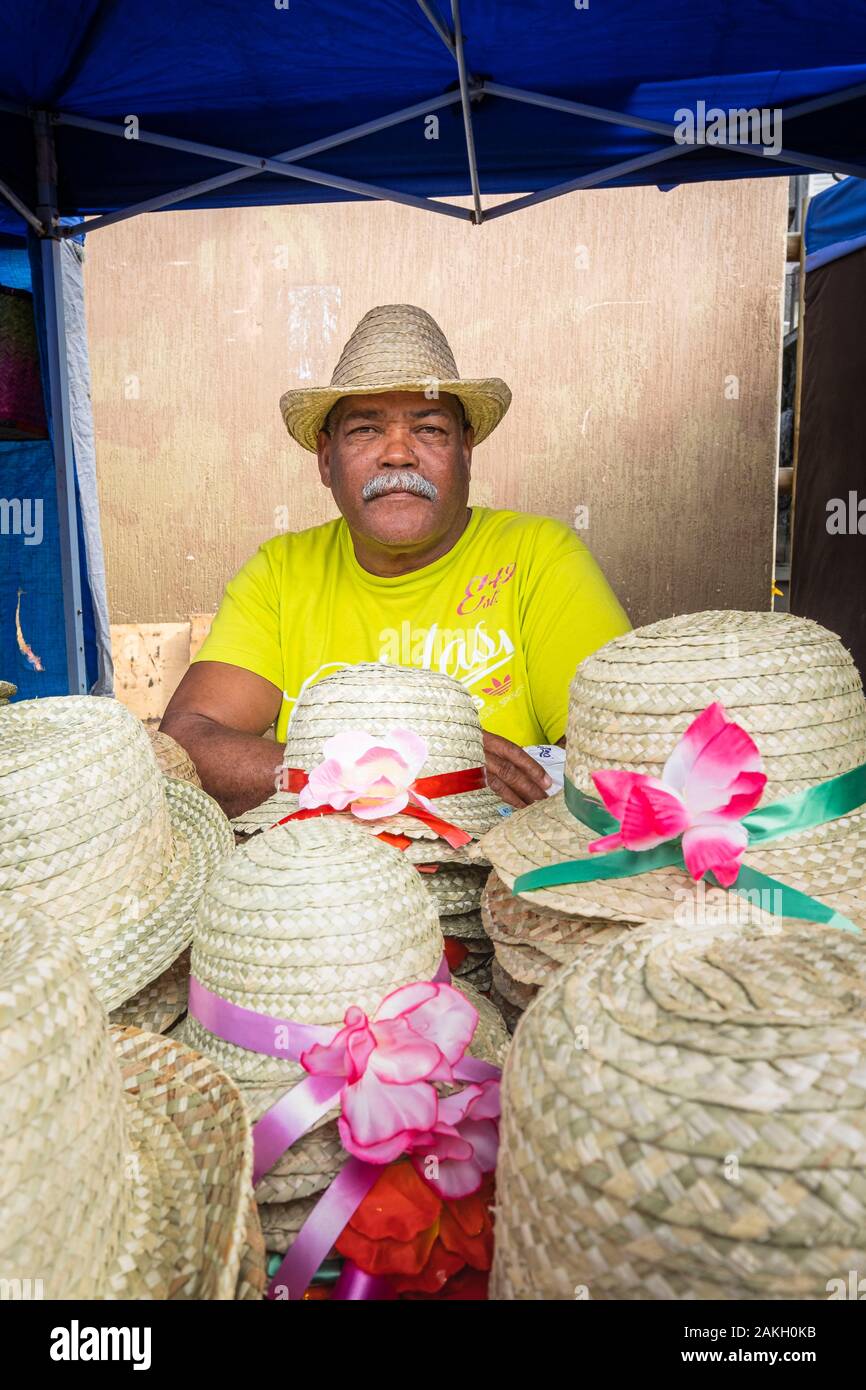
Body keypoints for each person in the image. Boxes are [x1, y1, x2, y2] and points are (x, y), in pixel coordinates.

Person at [161, 304, 630, 817]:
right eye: (366, 429)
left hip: (497, 876)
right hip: (326, 880)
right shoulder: (281, 570)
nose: (399, 454)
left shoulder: (537, 555)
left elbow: (617, 755)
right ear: (325, 458)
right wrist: (395, 777)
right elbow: (188, 743)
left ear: (466, 450)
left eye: (428, 428)